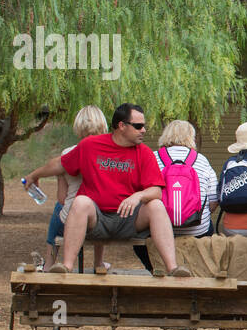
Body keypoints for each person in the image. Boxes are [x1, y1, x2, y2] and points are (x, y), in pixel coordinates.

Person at [45, 103, 190, 276]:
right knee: (80, 201)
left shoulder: (144, 153)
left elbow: (156, 191)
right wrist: (33, 176)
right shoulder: (91, 145)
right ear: (122, 126)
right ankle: (66, 267)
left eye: (144, 126)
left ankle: (172, 268)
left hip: (129, 220)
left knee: (156, 205)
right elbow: (59, 164)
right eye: (138, 126)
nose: (143, 130)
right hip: (97, 220)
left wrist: (138, 196)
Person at [26, 105, 109, 272]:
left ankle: (49, 263)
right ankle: (99, 262)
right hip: (102, 224)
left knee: (60, 207)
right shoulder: (111, 153)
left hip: (71, 222)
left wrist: (55, 175)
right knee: (101, 206)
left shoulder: (68, 154)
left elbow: (62, 198)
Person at [153, 120, 218, 237]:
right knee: (208, 226)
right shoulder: (202, 160)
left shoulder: (153, 158)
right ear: (191, 137)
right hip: (197, 231)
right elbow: (213, 203)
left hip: (160, 231)